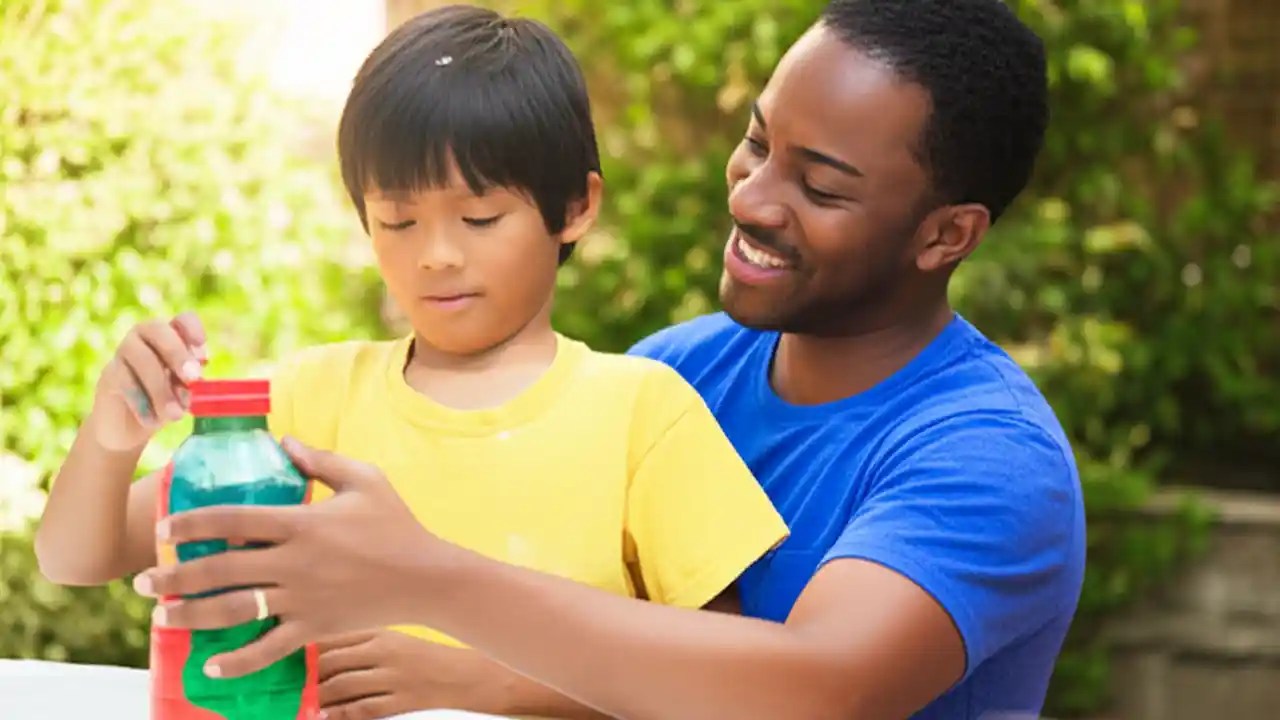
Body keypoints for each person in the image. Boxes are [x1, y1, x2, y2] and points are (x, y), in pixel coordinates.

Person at [132, 0, 1088, 718]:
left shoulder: (989, 459)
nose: (754, 199)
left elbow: (814, 687)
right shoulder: (678, 371)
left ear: (944, 235)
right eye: (757, 145)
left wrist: (427, 586)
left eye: (821, 187)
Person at [33, 5, 790, 719]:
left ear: (576, 207)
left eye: (480, 217)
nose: (436, 255)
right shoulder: (308, 399)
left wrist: (479, 680)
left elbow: (722, 685)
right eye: (398, 220)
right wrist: (114, 434)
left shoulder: (643, 412)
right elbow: (76, 556)